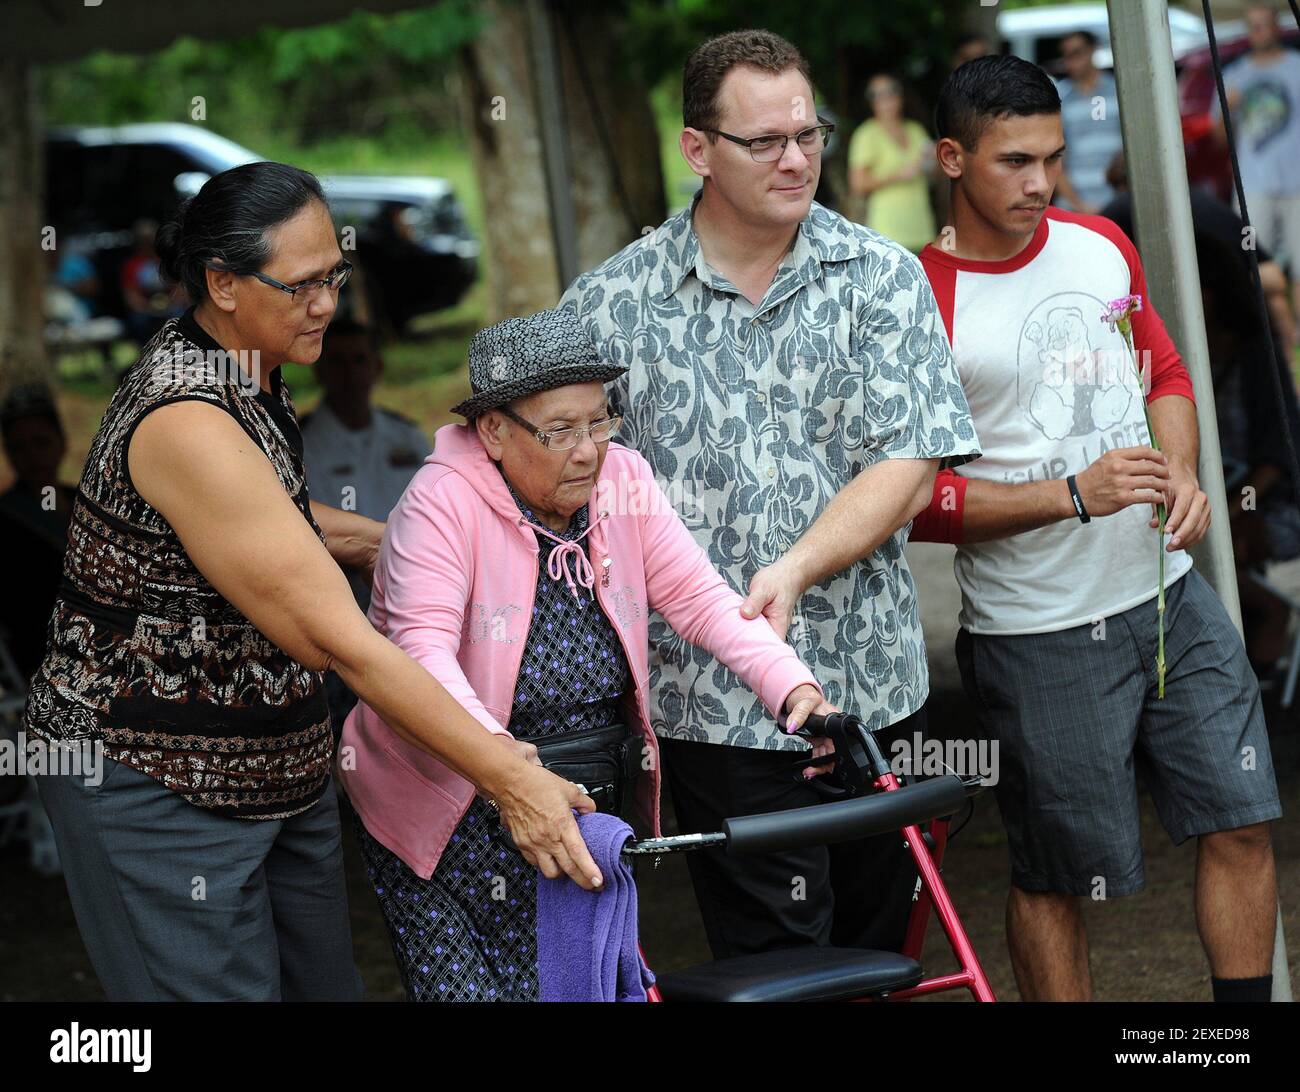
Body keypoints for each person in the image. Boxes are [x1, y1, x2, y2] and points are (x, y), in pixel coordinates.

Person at [24, 161, 600, 1002]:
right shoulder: (185, 417)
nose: (327, 304)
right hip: (153, 780)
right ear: (220, 282)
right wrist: (514, 781)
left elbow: (274, 516)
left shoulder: (246, 363)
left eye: (334, 274)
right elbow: (338, 640)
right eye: (300, 286)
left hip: (281, 765)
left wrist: (424, 543)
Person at [561, 29, 980, 961]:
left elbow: (911, 463)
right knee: (775, 962)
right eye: (765, 141)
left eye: (810, 133)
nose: (797, 159)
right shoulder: (610, 304)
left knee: (884, 953)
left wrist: (794, 568)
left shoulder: (882, 276)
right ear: (698, 150)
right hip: (712, 701)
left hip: (870, 683)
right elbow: (562, 481)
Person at [909, 55, 1282, 1003]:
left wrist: (1186, 472)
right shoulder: (917, 301)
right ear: (953, 158)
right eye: (1013, 161)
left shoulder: (1100, 243)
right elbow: (914, 504)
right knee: (1056, 876)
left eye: (1054, 157)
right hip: (1036, 636)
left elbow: (1162, 371)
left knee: (1240, 822)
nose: (1041, 182)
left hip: (1165, 597)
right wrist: (1072, 494)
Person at [339, 308, 836, 1001]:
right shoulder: (440, 503)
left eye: (599, 422)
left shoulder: (621, 482)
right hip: (444, 800)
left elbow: (701, 599)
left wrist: (794, 691)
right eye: (560, 430)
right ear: (493, 431)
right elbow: (421, 652)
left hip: (578, 794)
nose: (588, 450)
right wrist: (504, 771)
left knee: (580, 986)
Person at [1103, 154, 1300, 670]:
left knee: (1207, 543)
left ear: (1213, 296)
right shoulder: (1159, 354)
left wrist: (1238, 506)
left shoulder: (1252, 354)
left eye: (1202, 296)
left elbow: (1279, 452)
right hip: (1196, 501)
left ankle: (1249, 651)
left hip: (1255, 499)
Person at [301, 318, 430, 731]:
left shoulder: (406, 436)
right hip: (346, 603)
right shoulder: (300, 444)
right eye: (338, 361)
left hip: (421, 587)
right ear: (320, 369)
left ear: (377, 366)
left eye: (360, 359)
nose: (351, 371)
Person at [1216, 3, 1300, 322]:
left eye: (1264, 24)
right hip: (1254, 186)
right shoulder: (1235, 75)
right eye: (1253, 25)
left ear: (1277, 27)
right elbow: (1218, 139)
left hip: (1296, 183)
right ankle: (1271, 332)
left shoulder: (1296, 66)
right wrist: (1228, 110)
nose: (1259, 31)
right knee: (1251, 263)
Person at [0, 385, 76, 681]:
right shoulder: (7, 520)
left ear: (61, 443)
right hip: (46, 660)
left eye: (41, 443)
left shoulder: (88, 501)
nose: (32, 456)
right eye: (19, 448)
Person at [847, 74, 937, 252]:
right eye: (876, 94)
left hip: (922, 230)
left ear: (900, 95)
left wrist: (934, 161)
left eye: (890, 91)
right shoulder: (867, 133)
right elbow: (857, 184)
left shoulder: (915, 129)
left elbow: (933, 175)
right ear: (871, 101)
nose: (885, 98)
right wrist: (898, 175)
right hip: (886, 234)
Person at [1052, 30, 1122, 214]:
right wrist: (1078, 205)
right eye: (1066, 55)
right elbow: (1053, 158)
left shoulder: (1119, 90)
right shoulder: (1057, 97)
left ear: (1092, 50)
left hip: (1117, 203)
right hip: (1072, 206)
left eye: (1077, 52)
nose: (1071, 60)